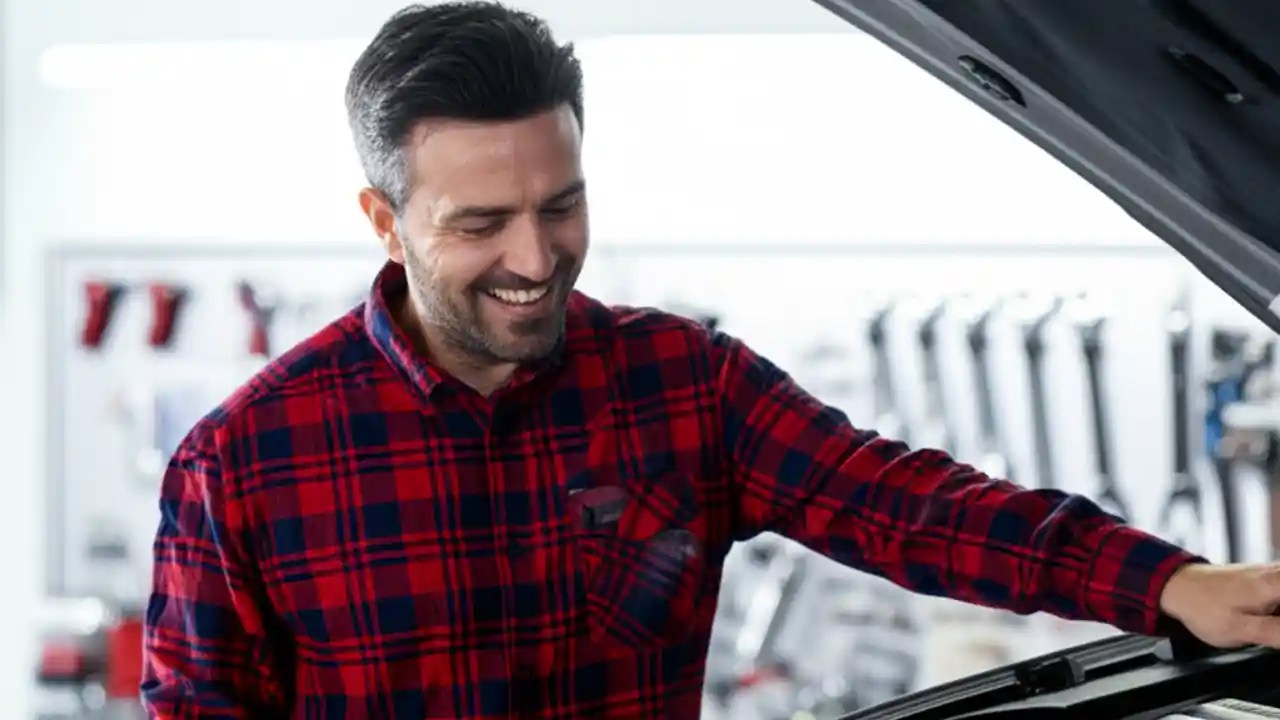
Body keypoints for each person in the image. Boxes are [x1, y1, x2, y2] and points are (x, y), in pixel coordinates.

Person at [140, 2, 1280, 717]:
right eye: (479, 223)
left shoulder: (680, 384)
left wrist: (1166, 582)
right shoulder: (240, 463)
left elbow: (902, 503)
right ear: (384, 222)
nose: (536, 258)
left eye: (563, 205)